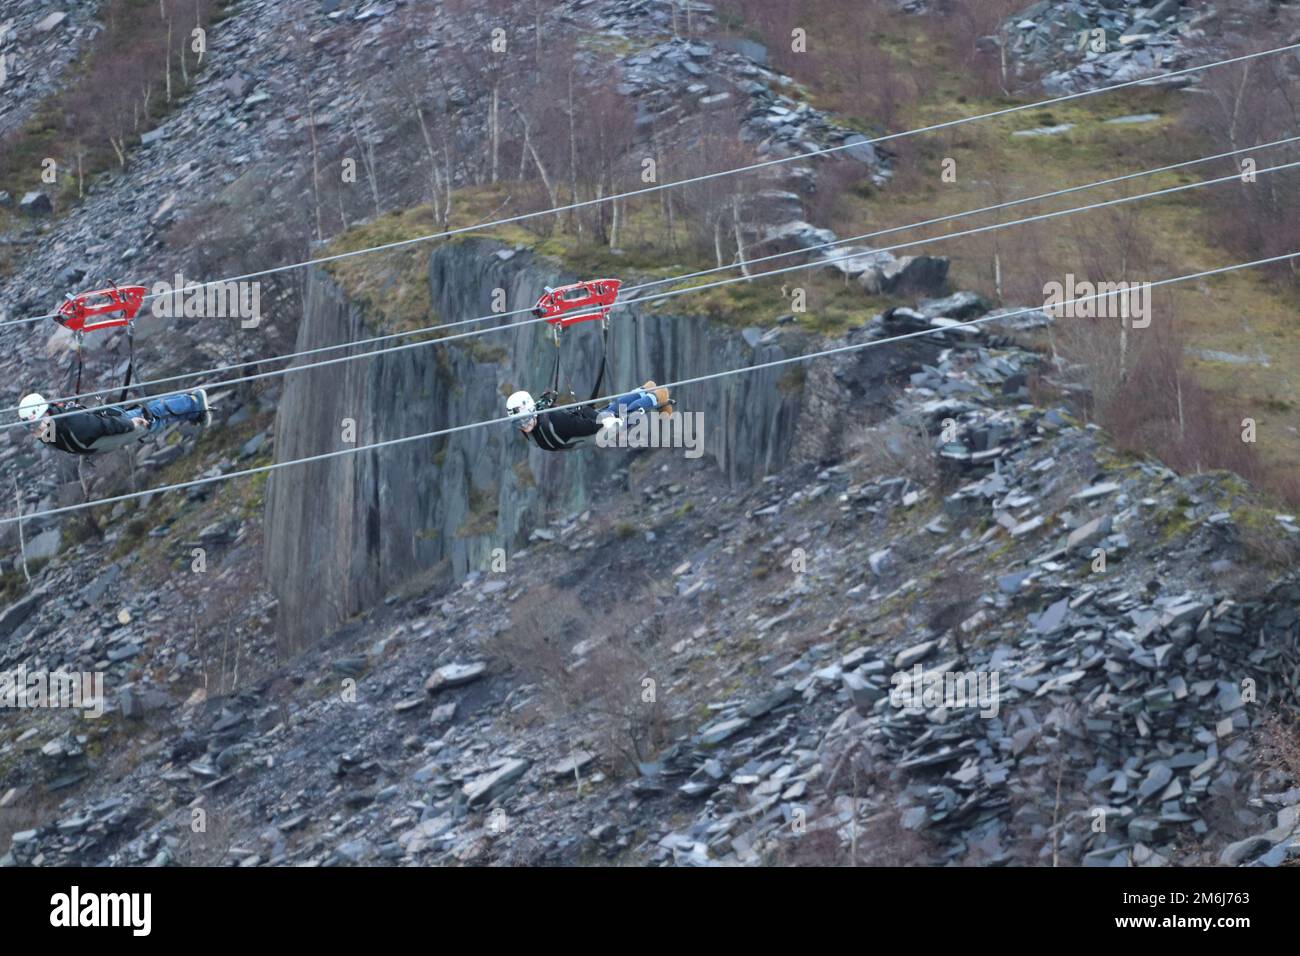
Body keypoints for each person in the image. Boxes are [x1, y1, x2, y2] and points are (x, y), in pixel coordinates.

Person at [17, 389, 211, 456]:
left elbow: (105, 426)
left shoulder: (74, 422)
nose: (35, 432)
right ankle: (193, 412)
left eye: (36, 425)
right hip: (104, 436)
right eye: (31, 428)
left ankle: (192, 402)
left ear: (46, 414)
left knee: (150, 416)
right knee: (154, 423)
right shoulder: (47, 431)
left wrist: (131, 425)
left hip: (114, 427)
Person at [506, 382, 669, 452]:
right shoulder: (533, 424)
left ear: (532, 410)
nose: (524, 425)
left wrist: (603, 423)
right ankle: (645, 390)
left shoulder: (554, 420)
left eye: (525, 419)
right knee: (612, 409)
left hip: (591, 432)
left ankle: (656, 397)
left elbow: (583, 426)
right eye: (518, 423)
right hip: (581, 429)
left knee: (624, 420)